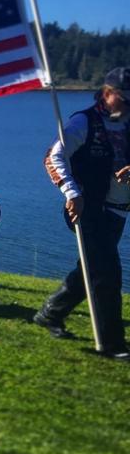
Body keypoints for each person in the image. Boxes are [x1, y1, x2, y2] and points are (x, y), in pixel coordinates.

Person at [36, 67, 130, 362]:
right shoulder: (84, 121)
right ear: (107, 93)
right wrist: (72, 193)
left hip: (118, 210)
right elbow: (53, 156)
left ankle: (51, 313)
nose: (128, 103)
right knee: (108, 274)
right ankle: (112, 343)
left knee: (91, 267)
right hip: (86, 207)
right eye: (124, 97)